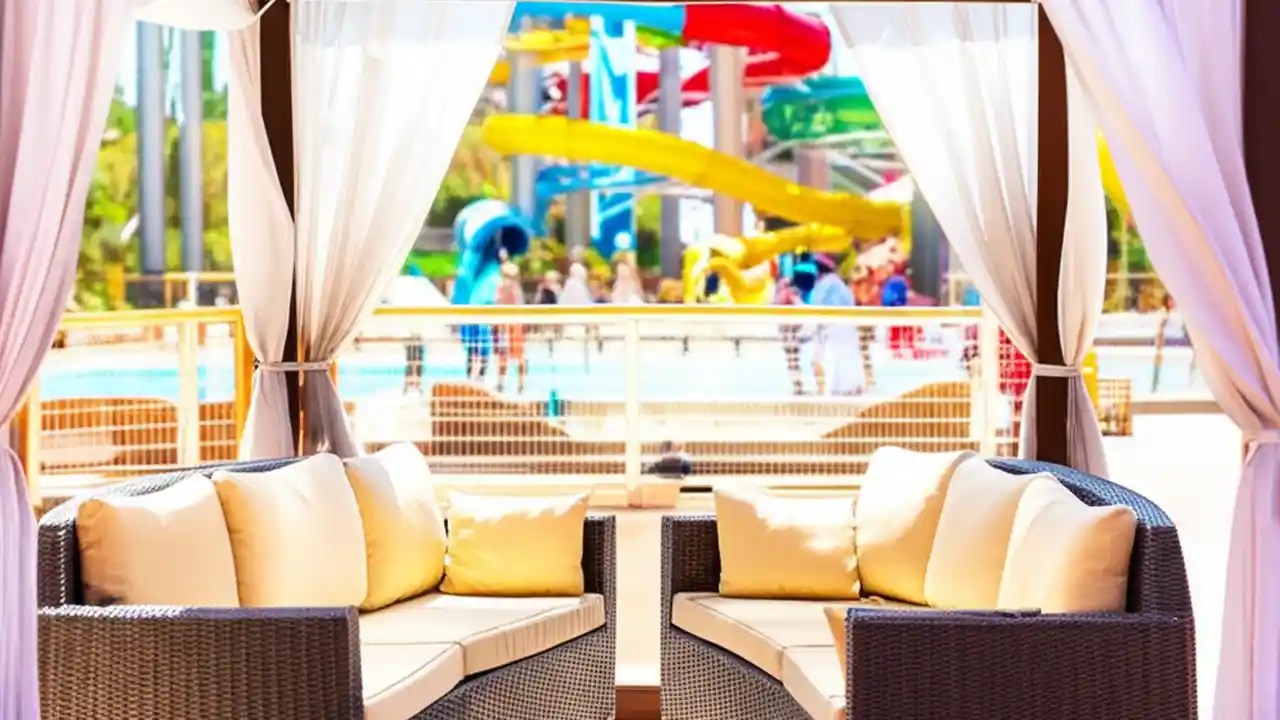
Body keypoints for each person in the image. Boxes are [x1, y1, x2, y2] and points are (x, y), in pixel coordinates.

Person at [808, 254, 863, 396]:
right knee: (845, 357)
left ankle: (834, 389)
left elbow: (816, 305)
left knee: (832, 357)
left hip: (833, 327)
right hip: (845, 326)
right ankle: (846, 387)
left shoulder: (824, 284)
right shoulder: (838, 283)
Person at [494, 262, 527, 394]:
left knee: (506, 355)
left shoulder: (503, 286)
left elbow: (498, 303)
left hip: (507, 324)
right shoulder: (513, 287)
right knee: (517, 355)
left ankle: (502, 382)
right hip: (513, 323)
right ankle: (519, 383)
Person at [774, 276, 806, 395]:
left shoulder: (779, 296)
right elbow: (801, 308)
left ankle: (796, 385)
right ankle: (797, 386)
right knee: (794, 360)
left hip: (785, 333)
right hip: (792, 333)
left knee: (791, 360)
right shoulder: (792, 294)